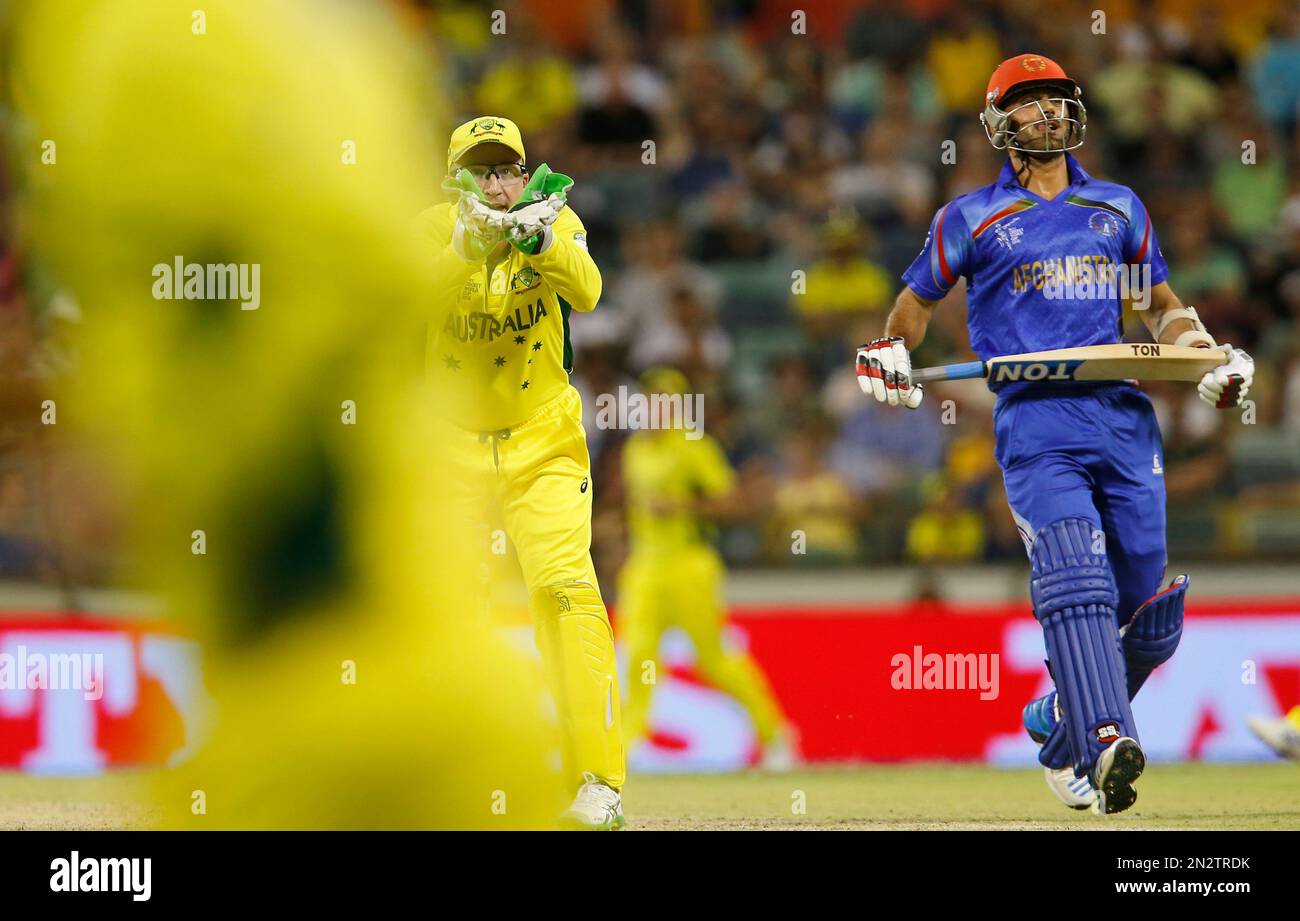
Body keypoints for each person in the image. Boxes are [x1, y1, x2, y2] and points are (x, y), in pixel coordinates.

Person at [857, 55, 1255, 814]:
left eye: (1056, 102)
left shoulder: (1118, 207)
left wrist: (1203, 354)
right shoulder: (970, 216)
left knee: (1149, 615)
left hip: (1121, 417)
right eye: (1030, 105)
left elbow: (1159, 307)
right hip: (1037, 422)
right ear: (1001, 124)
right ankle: (1106, 740)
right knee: (1077, 578)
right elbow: (914, 305)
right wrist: (894, 350)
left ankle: (1059, 721)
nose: (1046, 116)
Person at [416, 116, 625, 829]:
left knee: (566, 594)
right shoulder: (429, 228)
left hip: (544, 440)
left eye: (507, 168)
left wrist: (539, 242)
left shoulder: (553, 216)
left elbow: (590, 290)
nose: (498, 182)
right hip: (449, 448)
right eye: (481, 169)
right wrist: (460, 247)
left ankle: (598, 785)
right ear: (456, 177)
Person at [616, 367, 797, 768]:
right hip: (645, 565)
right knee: (639, 655)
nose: (653, 408)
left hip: (689, 563)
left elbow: (732, 502)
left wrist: (681, 507)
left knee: (712, 659)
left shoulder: (694, 448)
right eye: (648, 400)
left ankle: (775, 734)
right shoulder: (636, 450)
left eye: (663, 400)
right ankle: (627, 745)